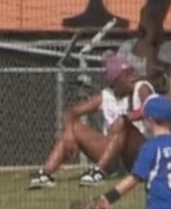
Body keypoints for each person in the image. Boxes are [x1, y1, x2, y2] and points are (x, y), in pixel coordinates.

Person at [30, 53, 157, 189]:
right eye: (126, 75)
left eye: (131, 73)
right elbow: (71, 113)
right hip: (113, 152)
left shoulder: (142, 87)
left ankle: (98, 171)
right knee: (76, 128)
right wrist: (69, 134)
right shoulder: (106, 96)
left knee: (123, 124)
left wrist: (125, 119)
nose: (132, 78)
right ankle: (46, 174)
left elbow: (150, 108)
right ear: (115, 81)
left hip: (140, 150)